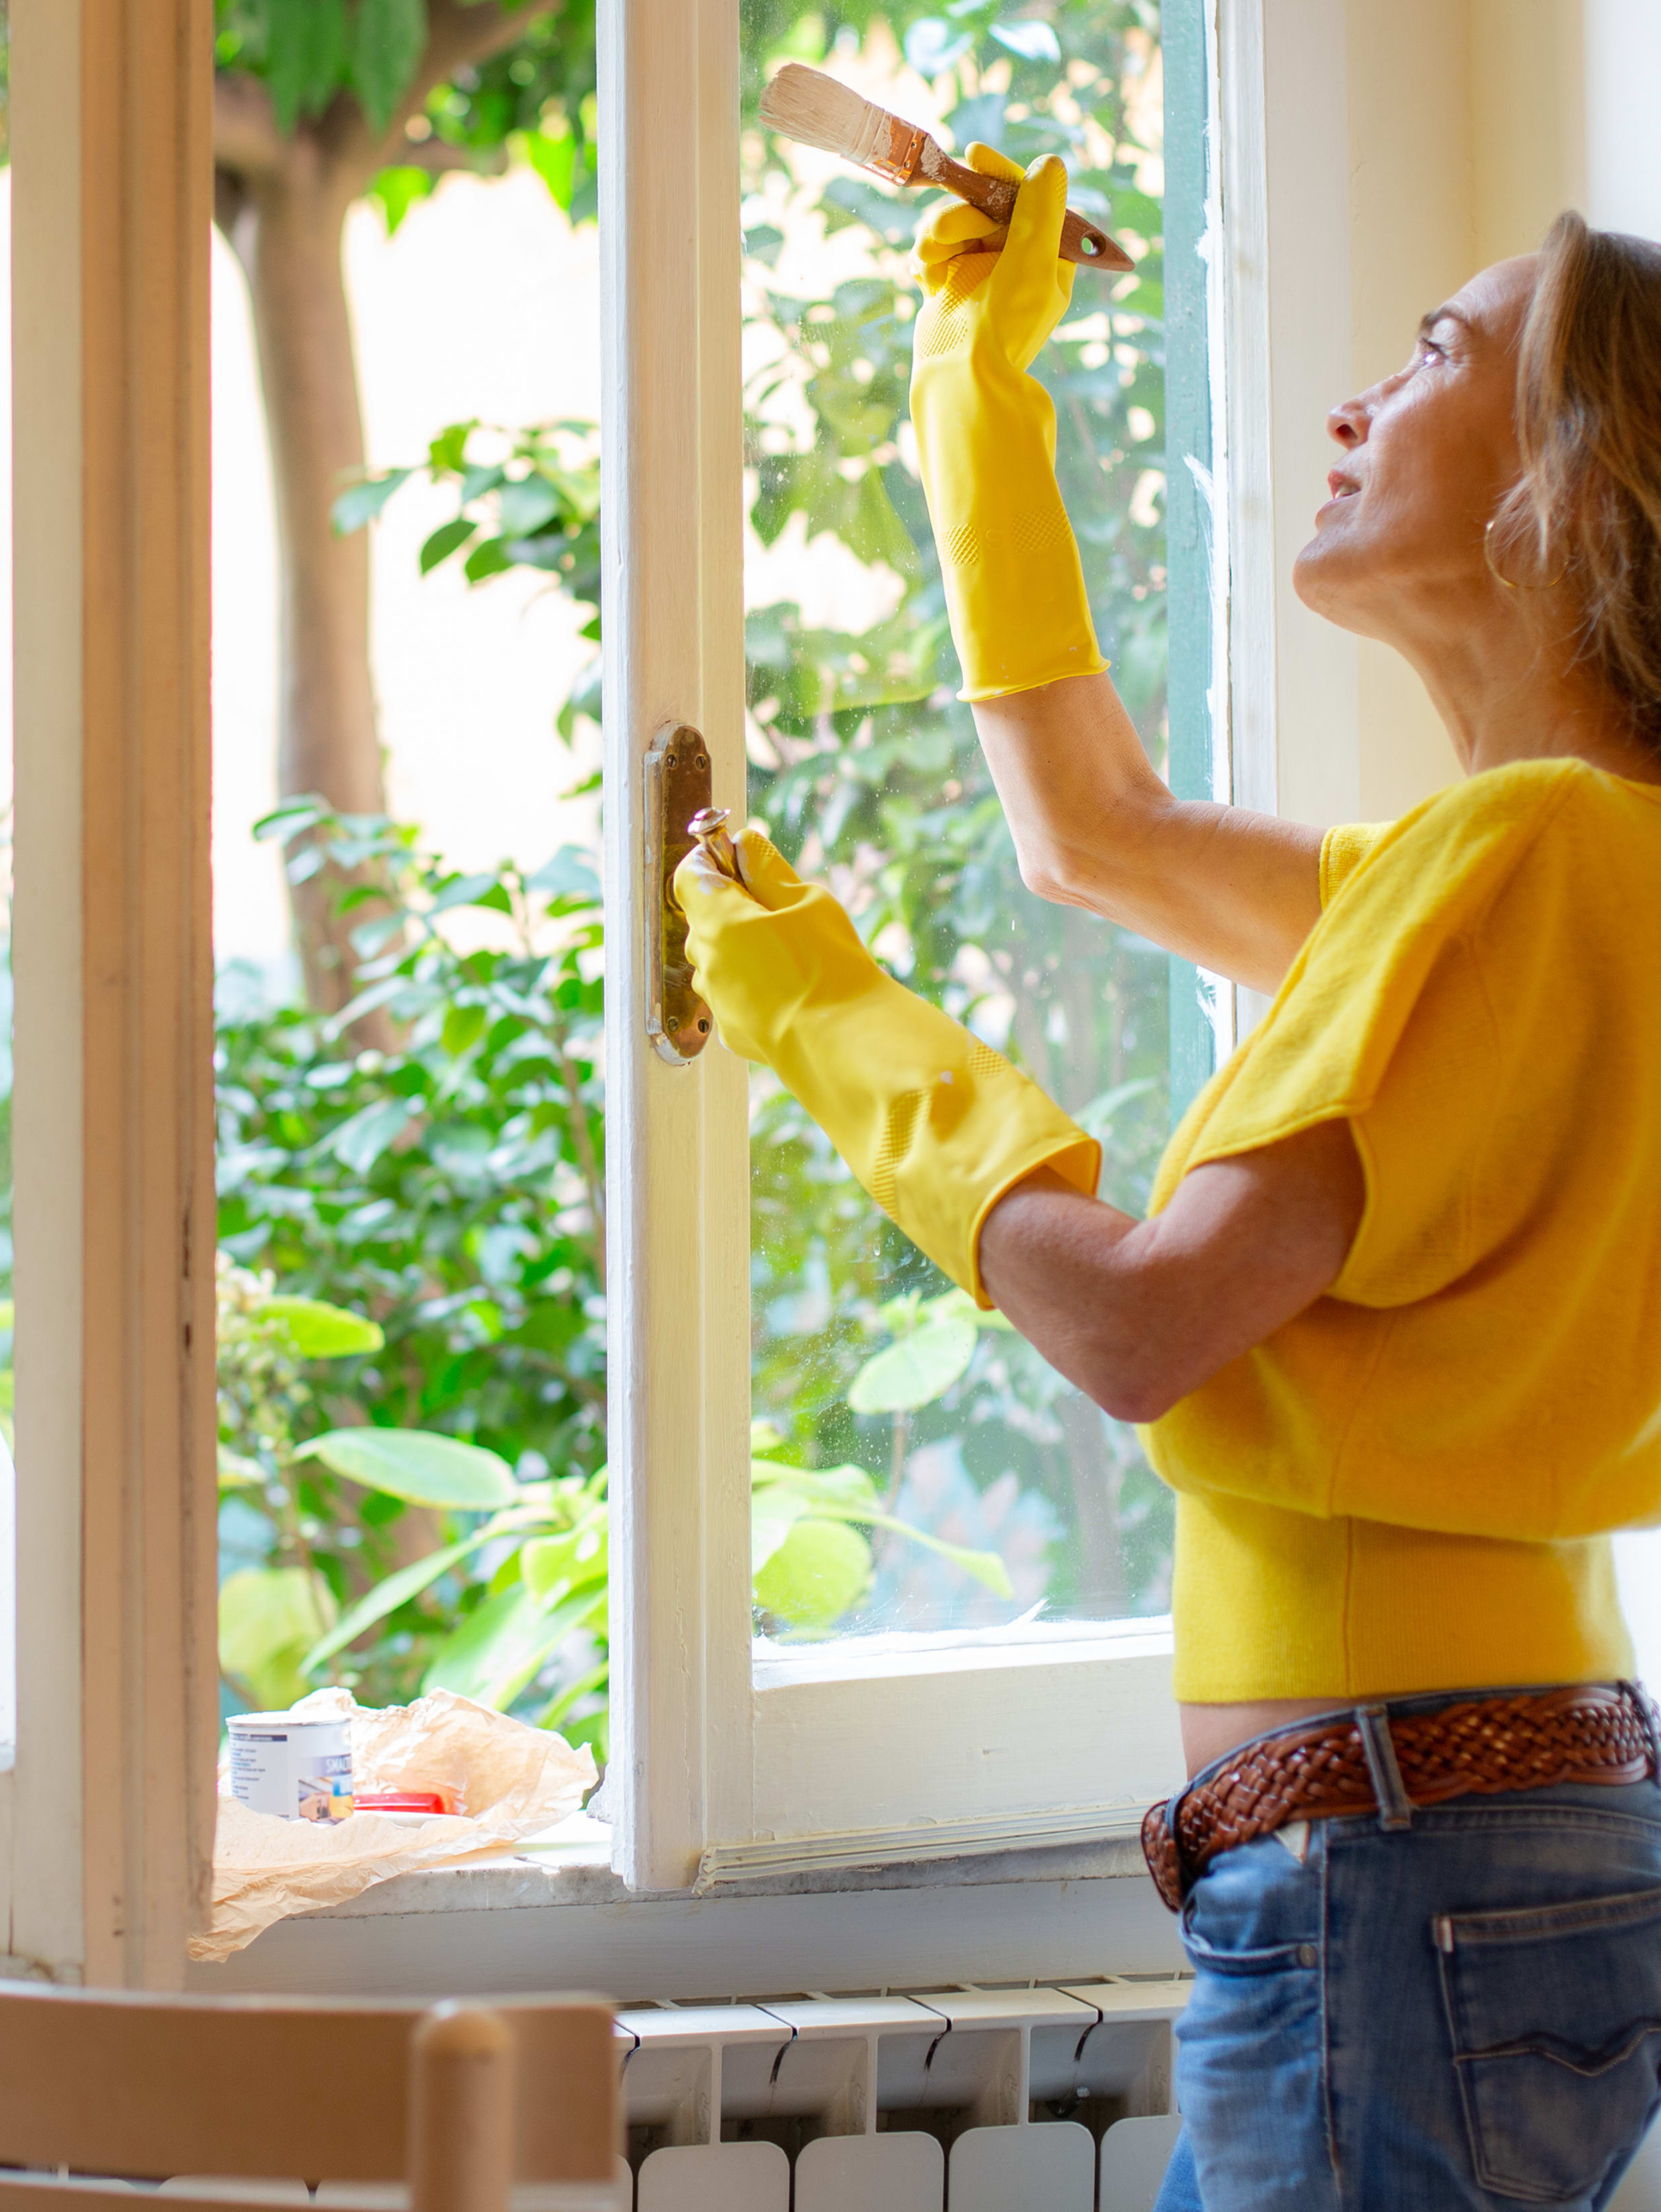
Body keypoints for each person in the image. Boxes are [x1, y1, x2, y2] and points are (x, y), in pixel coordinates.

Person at [677, 151, 1661, 2211]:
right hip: (1471, 1848)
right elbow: (1095, 832)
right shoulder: (1556, 874)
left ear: (1569, 483)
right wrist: (975, 376)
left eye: (1436, 353)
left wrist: (819, 1009)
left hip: (1395, 1871)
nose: (1358, 402)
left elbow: (1145, 1321)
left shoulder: (1520, 864)